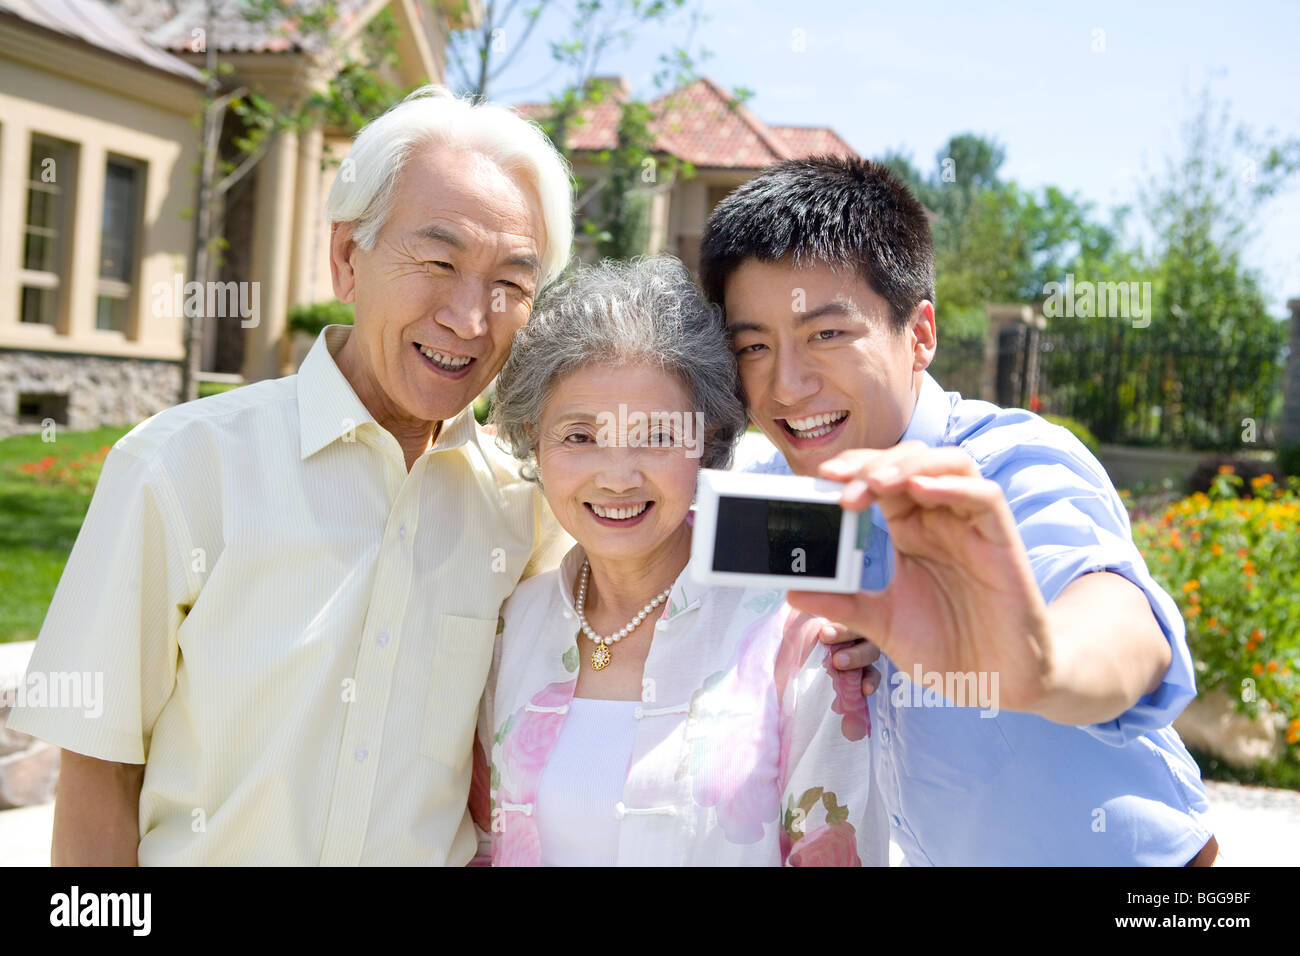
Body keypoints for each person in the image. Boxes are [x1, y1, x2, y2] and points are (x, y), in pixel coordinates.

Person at [7, 86, 575, 865]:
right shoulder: (179, 467)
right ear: (348, 257)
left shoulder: (527, 508)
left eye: (511, 283)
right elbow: (99, 766)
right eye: (439, 262)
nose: (470, 318)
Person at [698, 155, 1218, 866]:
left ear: (919, 334)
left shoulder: (1007, 465)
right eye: (753, 347)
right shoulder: (803, 489)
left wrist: (1035, 663)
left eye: (826, 334)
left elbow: (1120, 622)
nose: (786, 387)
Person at [476, 256, 887, 866]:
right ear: (535, 435)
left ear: (708, 437)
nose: (617, 477)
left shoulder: (799, 630)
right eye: (581, 436)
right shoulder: (514, 625)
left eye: (657, 436)